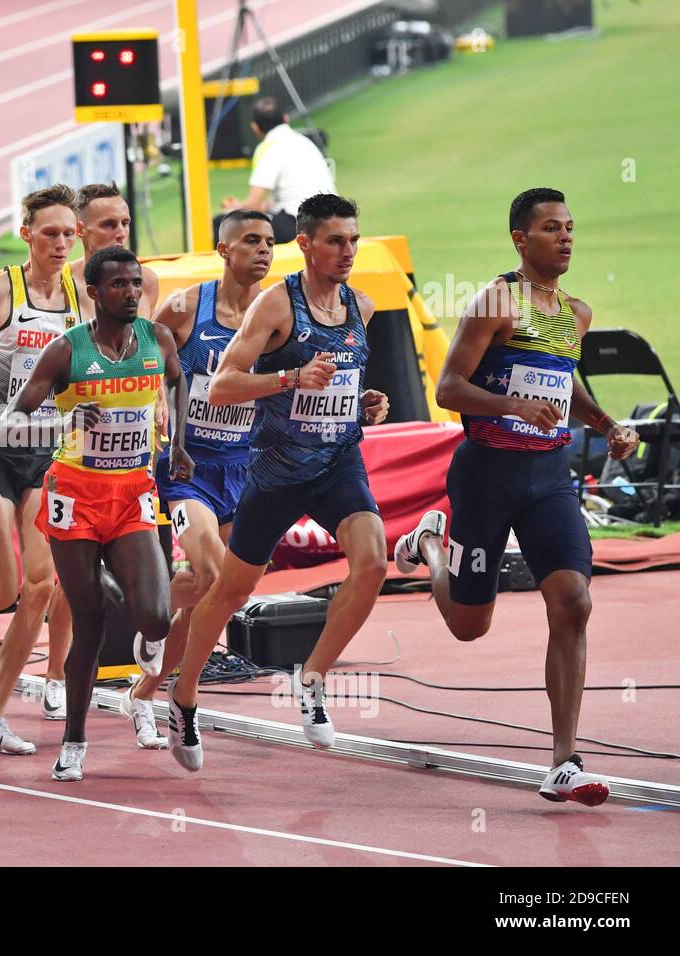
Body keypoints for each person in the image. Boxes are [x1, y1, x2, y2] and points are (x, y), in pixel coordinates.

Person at [394, 188, 639, 807]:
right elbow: (448, 388)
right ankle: (428, 542)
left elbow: (564, 388)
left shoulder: (576, 315)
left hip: (549, 478)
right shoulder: (495, 302)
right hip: (487, 476)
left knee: (574, 602)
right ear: (519, 239)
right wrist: (508, 405)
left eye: (570, 228)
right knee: (470, 626)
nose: (566, 238)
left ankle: (564, 761)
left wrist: (608, 425)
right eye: (551, 228)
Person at [168, 193, 390, 772]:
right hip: (275, 472)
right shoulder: (276, 305)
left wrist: (365, 402)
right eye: (336, 241)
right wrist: (289, 377)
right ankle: (184, 696)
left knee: (372, 564)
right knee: (229, 593)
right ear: (307, 244)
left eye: (354, 239)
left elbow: (342, 383)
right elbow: (219, 386)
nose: (348, 251)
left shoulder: (362, 307)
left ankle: (312, 678)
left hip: (339, 462)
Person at [4, 246, 192, 782]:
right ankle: (75, 741)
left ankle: (127, 602)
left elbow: (178, 382)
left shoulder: (157, 339)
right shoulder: (67, 351)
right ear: (93, 292)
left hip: (133, 489)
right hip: (75, 495)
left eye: (135, 283)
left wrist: (177, 445)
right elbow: (15, 418)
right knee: (87, 624)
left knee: (156, 615)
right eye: (118, 285)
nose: (131, 292)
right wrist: (62, 426)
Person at [115, 210, 274, 749]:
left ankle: (145, 691)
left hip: (247, 469)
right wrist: (158, 402)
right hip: (189, 469)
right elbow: (145, 362)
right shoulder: (185, 309)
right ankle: (166, 647)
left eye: (269, 242)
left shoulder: (277, 316)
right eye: (250, 240)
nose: (263, 250)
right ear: (223, 249)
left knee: (230, 587)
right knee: (209, 572)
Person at [0, 184, 84, 755]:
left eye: (68, 233)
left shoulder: (82, 298)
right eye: (49, 232)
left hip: (45, 458)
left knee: (40, 586)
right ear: (27, 233)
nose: (60, 243)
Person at [220, 98, 335, 244]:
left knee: (225, 227)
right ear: (285, 119)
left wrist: (235, 209)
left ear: (255, 127)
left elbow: (254, 206)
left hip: (298, 224)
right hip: (331, 221)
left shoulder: (268, 147)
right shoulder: (305, 141)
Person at [69, 182, 161, 318]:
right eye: (108, 224)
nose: (121, 233)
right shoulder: (60, 283)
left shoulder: (146, 281)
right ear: (80, 229)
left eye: (125, 223)